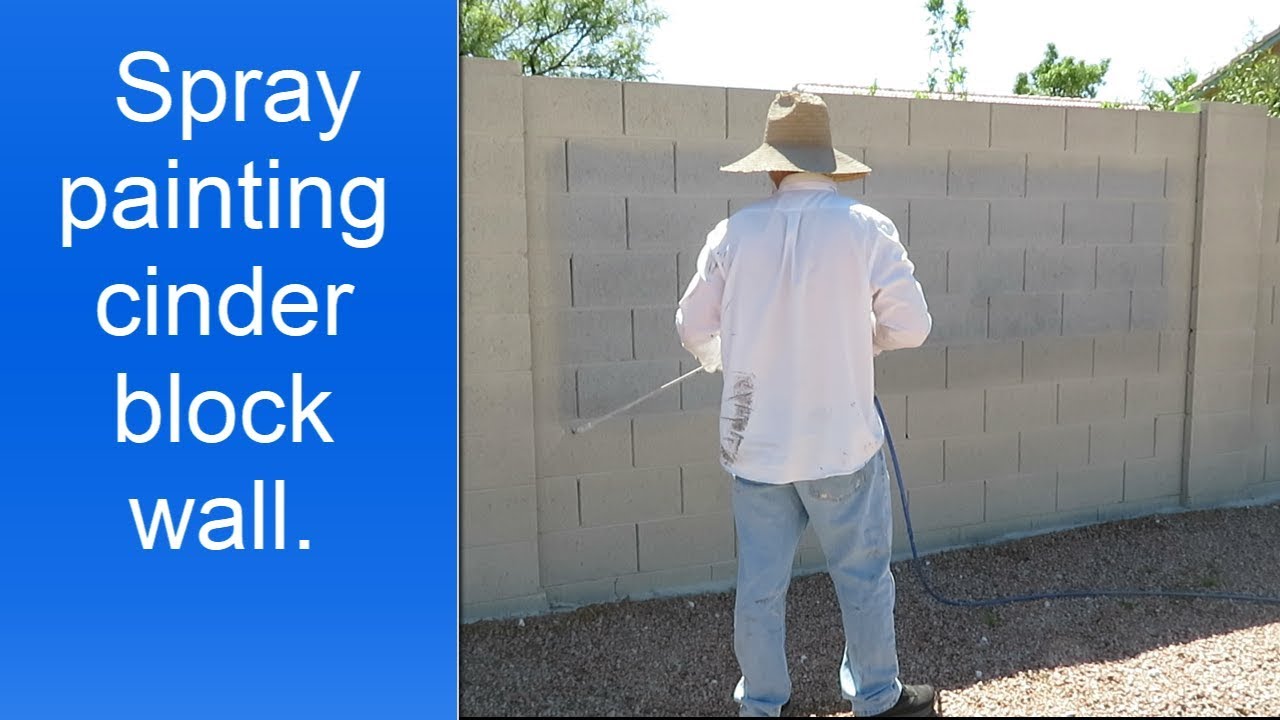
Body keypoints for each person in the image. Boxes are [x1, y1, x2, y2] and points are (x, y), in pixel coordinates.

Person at [675, 91, 935, 718]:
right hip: (842, 443)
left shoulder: (732, 234)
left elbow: (690, 324)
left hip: (755, 448)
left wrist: (721, 358)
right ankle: (877, 697)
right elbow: (913, 326)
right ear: (829, 162)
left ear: (771, 166)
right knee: (864, 578)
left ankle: (762, 706)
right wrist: (864, 341)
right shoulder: (865, 227)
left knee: (759, 591)